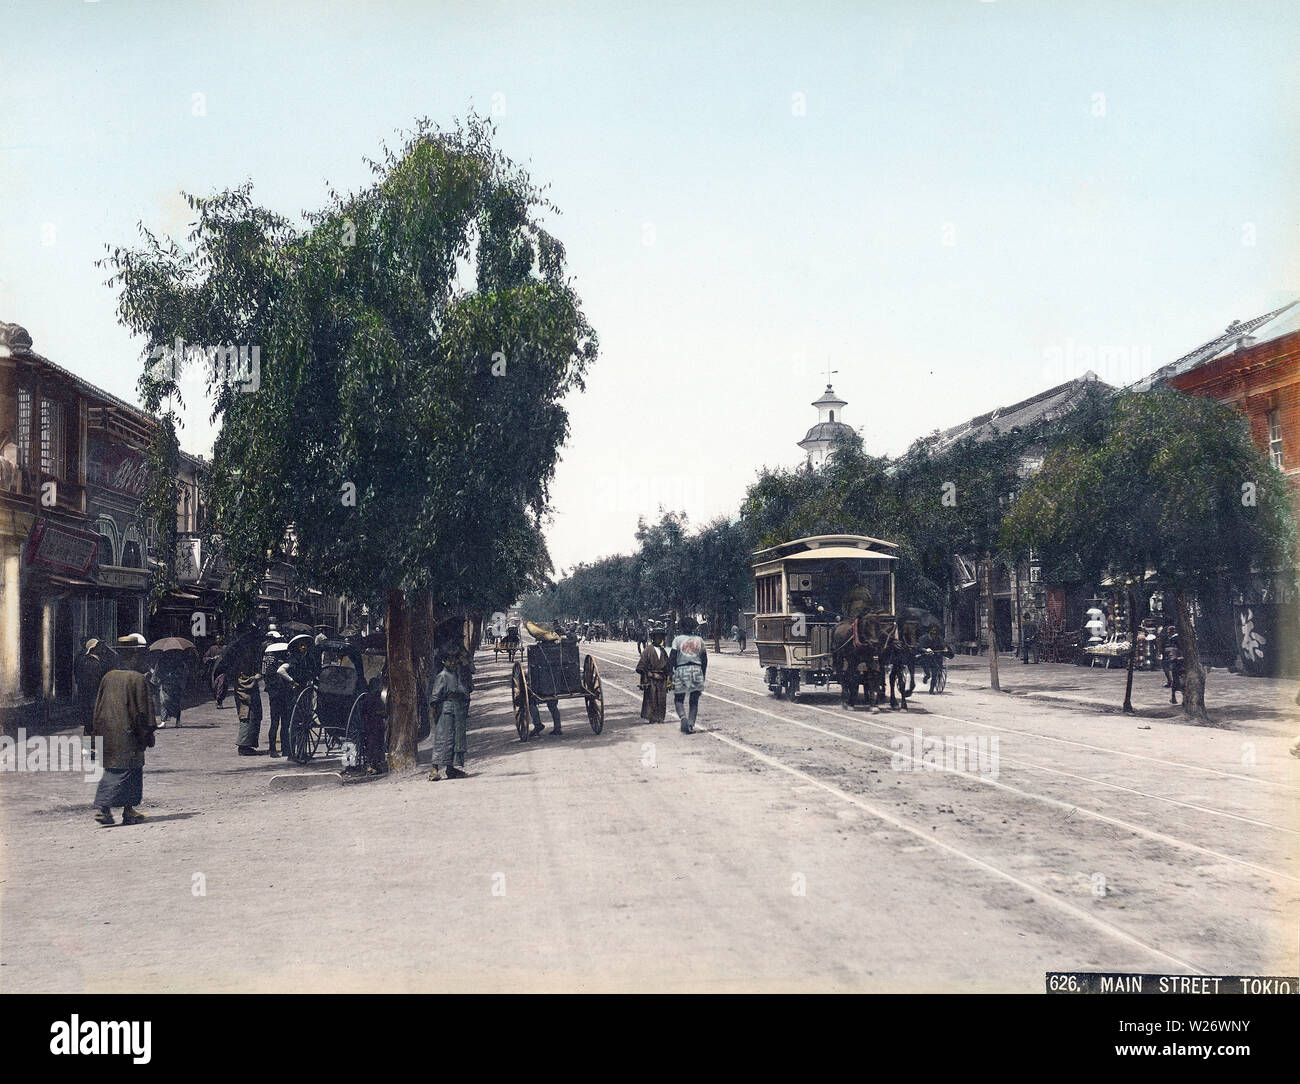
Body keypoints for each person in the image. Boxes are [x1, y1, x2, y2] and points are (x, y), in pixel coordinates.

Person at [90, 641, 157, 827]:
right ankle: (106, 808)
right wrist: (148, 733)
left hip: (108, 732)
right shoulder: (138, 679)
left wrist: (97, 732)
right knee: (128, 771)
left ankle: (127, 811)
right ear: (134, 655)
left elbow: (98, 706)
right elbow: (144, 712)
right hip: (130, 734)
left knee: (115, 769)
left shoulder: (108, 677)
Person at [216, 620, 266, 755]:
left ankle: (248, 744)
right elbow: (243, 678)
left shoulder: (245, 653)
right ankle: (244, 745)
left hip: (246, 687)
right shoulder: (240, 657)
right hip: (244, 689)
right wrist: (254, 678)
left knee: (254, 715)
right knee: (247, 715)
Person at [429, 647, 472, 780]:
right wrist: (435, 716)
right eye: (450, 660)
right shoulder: (441, 676)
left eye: (455, 660)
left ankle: (450, 769)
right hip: (445, 712)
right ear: (444, 661)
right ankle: (434, 770)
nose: (453, 663)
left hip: (457, 711)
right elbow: (435, 698)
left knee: (455, 740)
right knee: (442, 739)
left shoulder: (456, 675)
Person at [74, 639, 115, 756]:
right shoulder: (94, 664)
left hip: (85, 697)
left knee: (89, 722)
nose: (101, 650)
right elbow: (97, 683)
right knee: (95, 722)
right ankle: (93, 747)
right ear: (93, 649)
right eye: (98, 647)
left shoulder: (84, 662)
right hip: (94, 697)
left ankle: (89, 747)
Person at [669, 617, 707, 733]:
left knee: (679, 699)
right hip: (696, 669)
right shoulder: (700, 640)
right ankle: (691, 725)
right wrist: (703, 674)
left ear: (681, 628)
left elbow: (672, 657)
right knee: (694, 700)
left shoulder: (677, 640)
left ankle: (683, 717)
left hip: (681, 670)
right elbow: (704, 659)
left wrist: (671, 673)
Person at [636, 624, 671, 724]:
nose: (659, 639)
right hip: (651, 678)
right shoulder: (648, 650)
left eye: (661, 637)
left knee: (661, 699)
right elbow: (641, 667)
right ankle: (652, 717)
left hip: (662, 679)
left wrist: (669, 680)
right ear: (653, 638)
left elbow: (668, 666)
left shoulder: (663, 651)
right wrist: (644, 679)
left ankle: (660, 717)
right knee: (652, 699)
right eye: (657, 637)